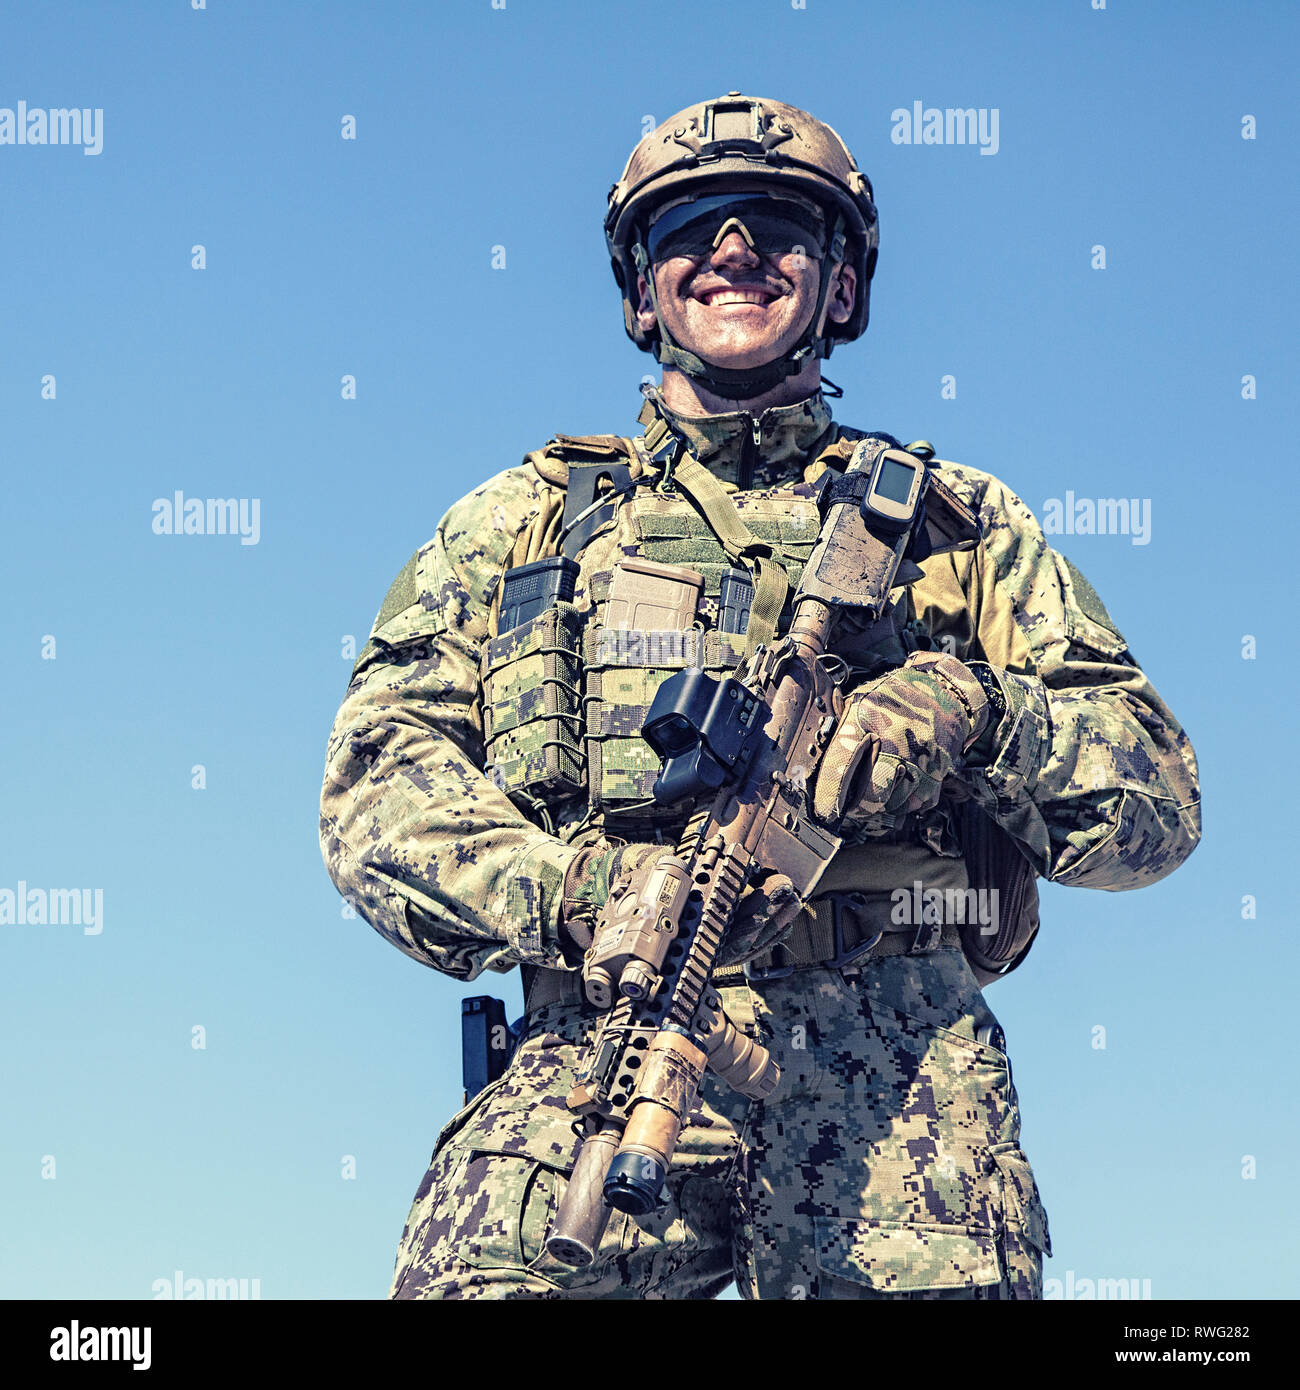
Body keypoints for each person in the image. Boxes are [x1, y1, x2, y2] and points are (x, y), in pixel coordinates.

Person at [319, 93, 1201, 1300]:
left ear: (840, 287)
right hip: (598, 1061)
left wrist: (967, 711)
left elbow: (1156, 799)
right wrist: (580, 892)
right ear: (643, 291)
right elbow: (375, 796)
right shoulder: (517, 527)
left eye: (779, 224)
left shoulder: (961, 527)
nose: (733, 251)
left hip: (898, 1082)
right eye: (690, 227)